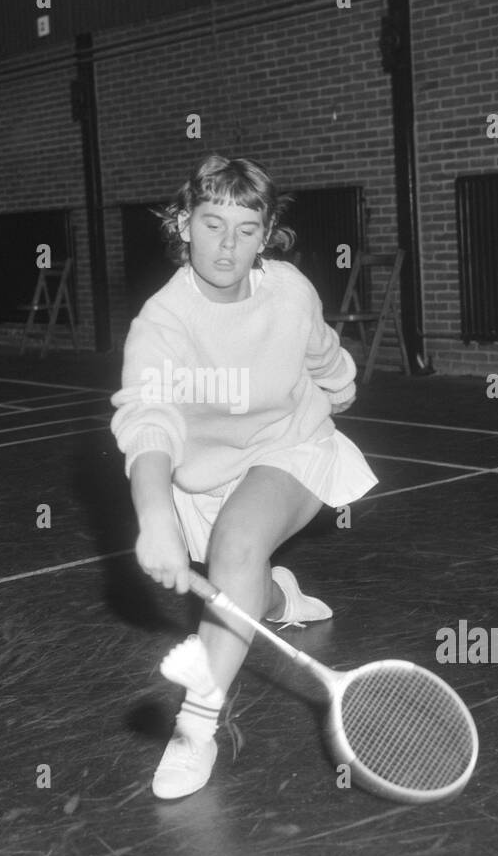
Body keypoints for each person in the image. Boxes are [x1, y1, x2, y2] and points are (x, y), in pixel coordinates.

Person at [110, 154, 378, 799]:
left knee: (236, 545)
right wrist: (154, 518)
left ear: (267, 234)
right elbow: (148, 419)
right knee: (241, 576)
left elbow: (320, 350)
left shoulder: (288, 290)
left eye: (246, 229)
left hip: (292, 447)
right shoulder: (163, 323)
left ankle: (195, 725)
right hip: (203, 477)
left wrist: (341, 388)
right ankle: (277, 597)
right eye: (211, 224)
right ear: (183, 223)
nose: (228, 246)